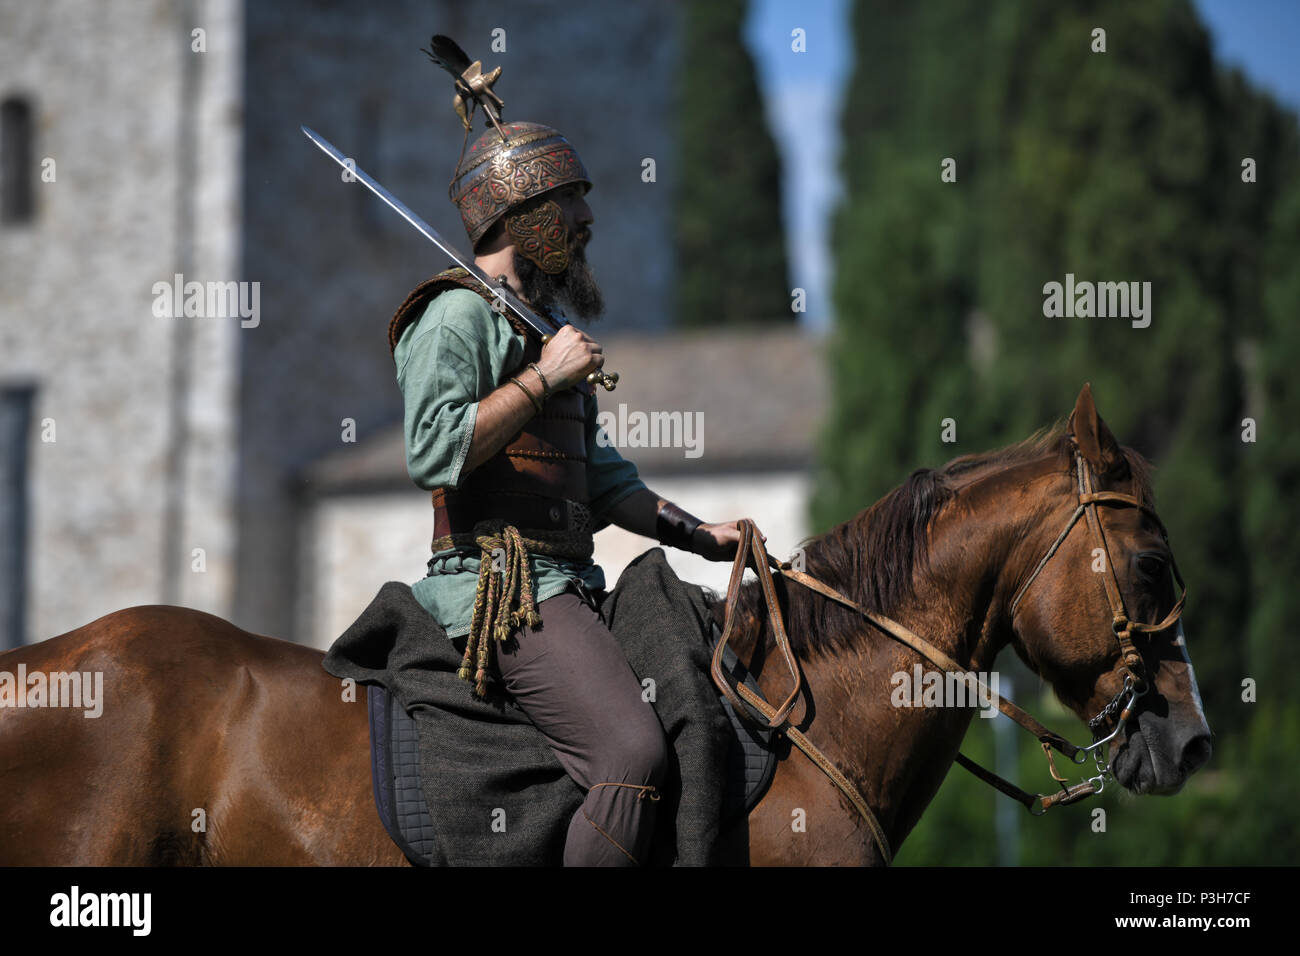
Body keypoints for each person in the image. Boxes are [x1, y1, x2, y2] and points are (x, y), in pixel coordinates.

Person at [386, 118, 750, 866]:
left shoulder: (544, 323)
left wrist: (700, 534)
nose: (587, 220)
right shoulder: (454, 315)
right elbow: (433, 450)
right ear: (519, 217)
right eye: (570, 203)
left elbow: (605, 478)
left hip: (571, 580)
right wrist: (544, 378)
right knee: (630, 754)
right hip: (503, 584)